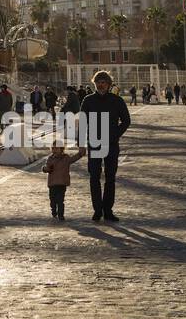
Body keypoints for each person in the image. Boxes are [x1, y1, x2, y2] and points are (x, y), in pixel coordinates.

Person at [80, 70, 131, 223]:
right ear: (94, 83)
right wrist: (81, 143)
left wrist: (115, 134)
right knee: (94, 177)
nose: (101, 85)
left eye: (103, 82)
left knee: (110, 178)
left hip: (111, 144)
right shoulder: (88, 100)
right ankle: (97, 210)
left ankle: (108, 210)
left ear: (108, 84)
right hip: (94, 143)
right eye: (98, 82)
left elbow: (126, 121)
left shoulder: (117, 100)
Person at [42, 143, 86, 221]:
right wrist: (45, 169)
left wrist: (80, 153)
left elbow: (74, 158)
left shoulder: (66, 158)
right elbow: (46, 167)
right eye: (53, 148)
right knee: (52, 200)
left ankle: (61, 215)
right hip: (52, 184)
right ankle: (53, 210)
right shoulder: (50, 158)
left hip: (62, 183)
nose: (54, 150)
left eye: (56, 148)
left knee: (60, 200)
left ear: (61, 149)